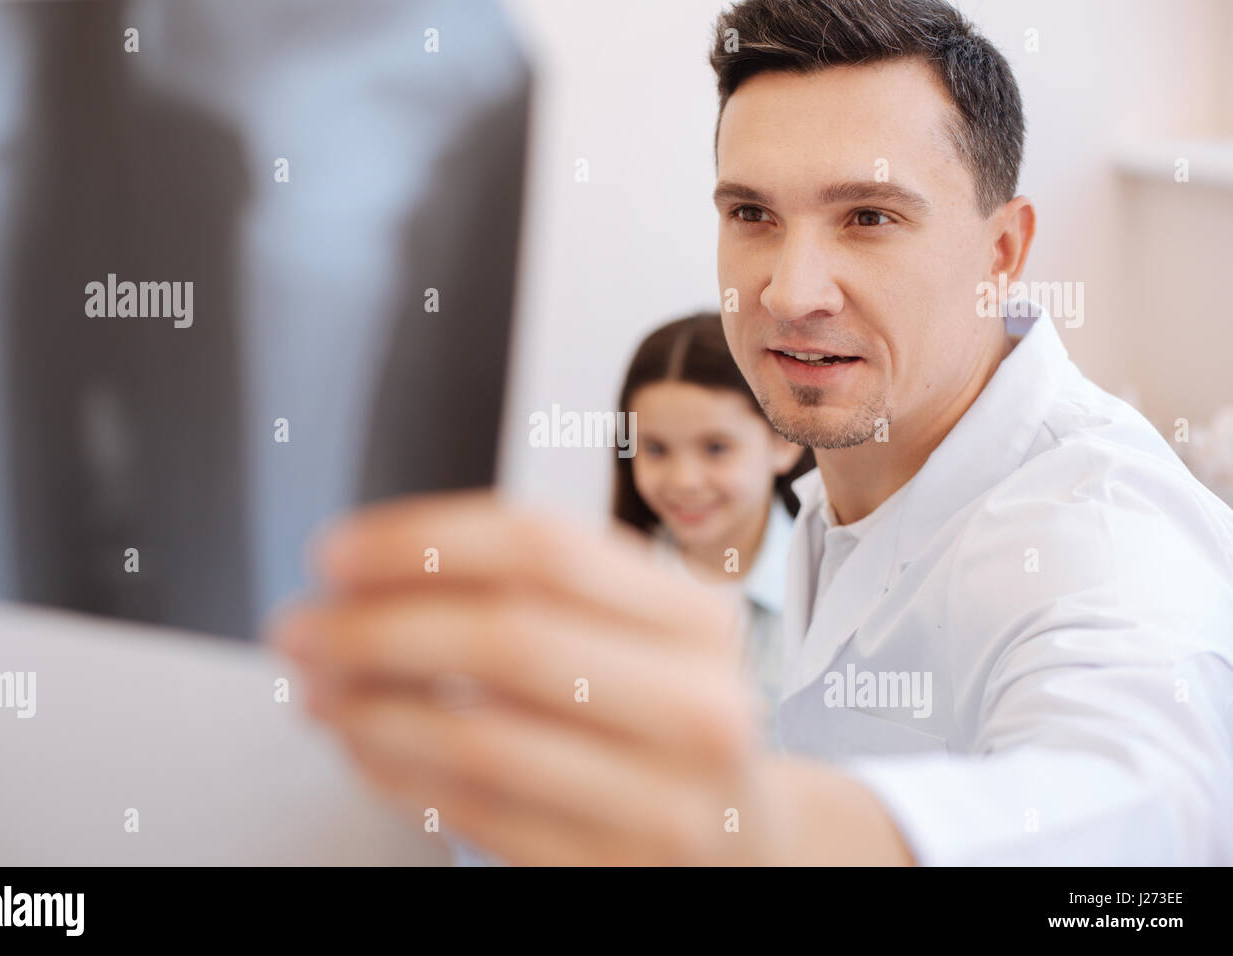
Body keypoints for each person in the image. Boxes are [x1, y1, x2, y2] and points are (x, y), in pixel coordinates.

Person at [272, 0, 1233, 865]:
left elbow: (1150, 815)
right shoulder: (839, 477)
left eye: (868, 216)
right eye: (752, 213)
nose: (790, 292)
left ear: (1003, 251)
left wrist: (755, 831)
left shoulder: (1105, 533)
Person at [614, 312, 813, 747]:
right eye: (656, 448)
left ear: (783, 442)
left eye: (716, 448)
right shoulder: (610, 590)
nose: (684, 480)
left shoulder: (826, 599)